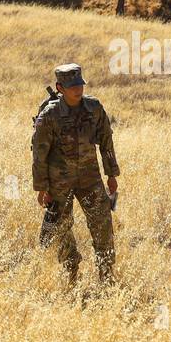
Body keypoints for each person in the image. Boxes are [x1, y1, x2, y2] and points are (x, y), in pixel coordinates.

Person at [31, 63, 121, 284]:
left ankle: (106, 276)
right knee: (61, 227)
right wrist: (42, 188)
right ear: (60, 87)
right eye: (72, 86)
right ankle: (71, 271)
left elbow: (106, 142)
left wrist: (111, 174)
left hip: (90, 178)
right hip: (59, 182)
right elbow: (39, 153)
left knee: (103, 225)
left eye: (79, 84)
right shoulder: (49, 115)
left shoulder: (94, 108)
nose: (77, 90)